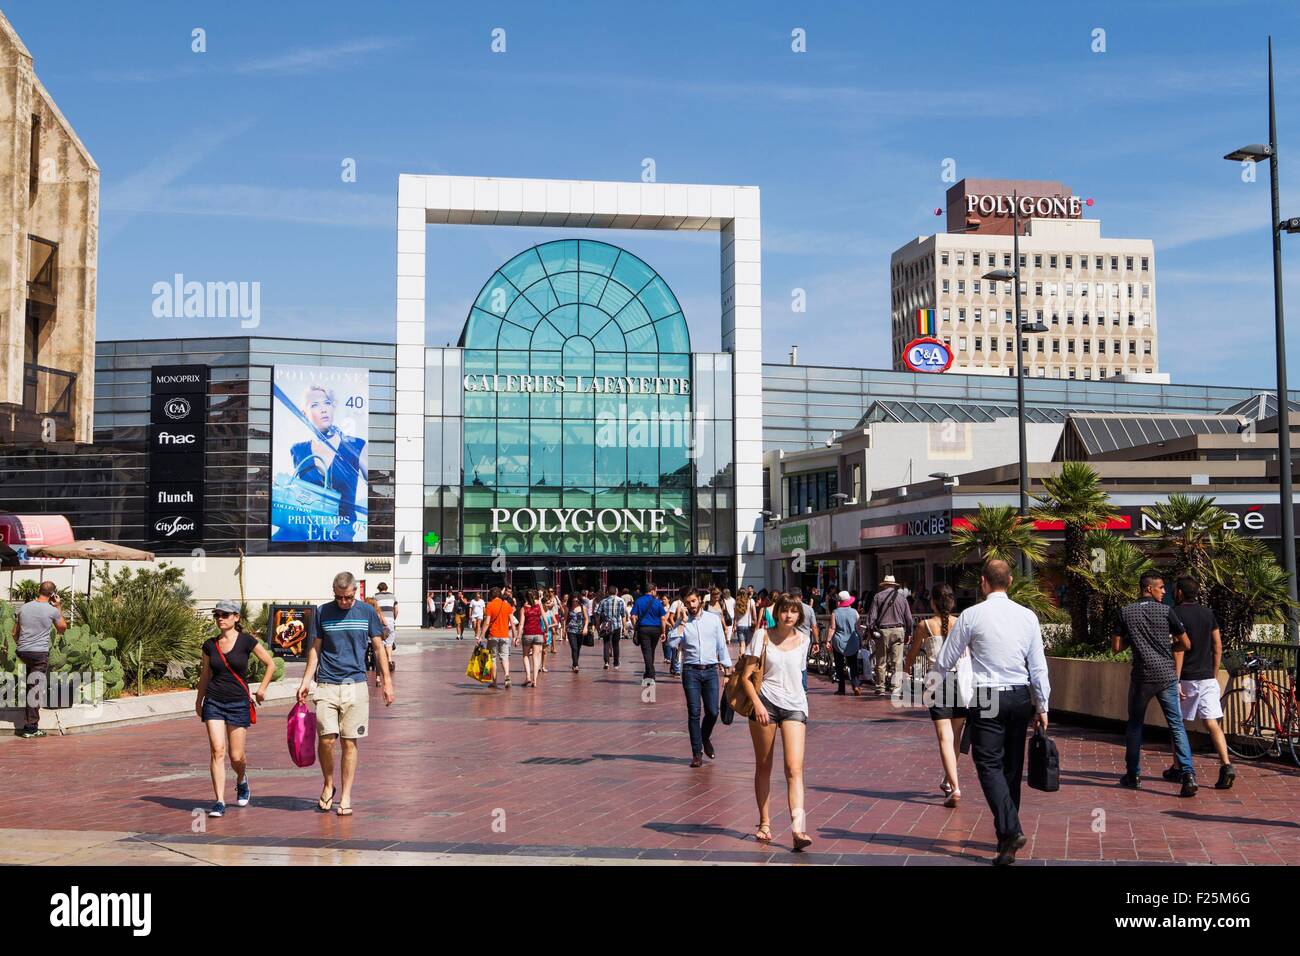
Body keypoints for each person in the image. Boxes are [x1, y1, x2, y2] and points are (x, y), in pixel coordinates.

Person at [936, 559, 1050, 866]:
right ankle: (1006, 842)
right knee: (1011, 767)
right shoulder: (1027, 617)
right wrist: (1043, 705)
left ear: (984, 582)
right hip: (1019, 696)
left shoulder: (972, 616)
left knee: (987, 764)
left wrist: (934, 682)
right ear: (1010, 581)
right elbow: (1038, 666)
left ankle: (1010, 830)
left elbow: (945, 659)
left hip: (987, 696)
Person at [297, 572, 394, 817]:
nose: (343, 602)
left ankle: (347, 795)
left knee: (349, 742)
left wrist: (387, 682)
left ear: (356, 593)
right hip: (327, 684)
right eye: (339, 598)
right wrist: (306, 681)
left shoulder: (367, 612)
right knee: (327, 739)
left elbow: (378, 647)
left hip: (356, 684)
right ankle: (329, 784)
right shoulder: (322, 612)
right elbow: (315, 649)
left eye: (348, 598)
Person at [1112, 572, 1197, 797]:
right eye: (1161, 587)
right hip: (1167, 676)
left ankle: (1133, 775)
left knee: (1135, 725)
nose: (1164, 591)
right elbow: (1186, 643)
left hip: (1142, 677)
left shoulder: (1125, 612)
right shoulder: (1166, 611)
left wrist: (1135, 637)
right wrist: (1169, 646)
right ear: (1149, 588)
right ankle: (1188, 775)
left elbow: (1117, 647)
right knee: (1176, 725)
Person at [741, 593, 813, 851]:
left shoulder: (804, 640)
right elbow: (746, 678)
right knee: (764, 765)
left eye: (794, 611)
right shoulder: (762, 636)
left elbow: (798, 676)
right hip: (765, 706)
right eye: (784, 610)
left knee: (795, 768)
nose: (789, 616)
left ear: (799, 614)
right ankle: (764, 822)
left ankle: (798, 828)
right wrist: (758, 704)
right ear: (777, 612)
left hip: (795, 707)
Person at [196, 600, 276, 817]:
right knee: (217, 750)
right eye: (217, 615)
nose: (220, 618)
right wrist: (199, 700)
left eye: (225, 614)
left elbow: (271, 664)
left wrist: (261, 689)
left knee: (236, 756)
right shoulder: (209, 645)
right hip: (214, 701)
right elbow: (205, 675)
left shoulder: (247, 641)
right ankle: (219, 801)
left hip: (238, 702)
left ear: (236, 617)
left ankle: (241, 779)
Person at [904, 584, 971, 808]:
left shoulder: (925, 625)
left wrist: (905, 671)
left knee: (944, 738)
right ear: (951, 602)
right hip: (961, 682)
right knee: (956, 737)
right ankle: (948, 781)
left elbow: (912, 654)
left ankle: (955, 786)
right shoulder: (961, 623)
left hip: (937, 682)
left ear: (932, 602)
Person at [1166, 577, 1235, 790]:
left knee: (1179, 726)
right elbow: (1218, 646)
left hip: (1186, 678)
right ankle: (1226, 765)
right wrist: (1213, 673)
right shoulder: (1208, 614)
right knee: (1212, 722)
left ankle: (1179, 767)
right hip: (1207, 678)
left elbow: (1179, 649)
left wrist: (1175, 681)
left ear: (1178, 592)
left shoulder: (1174, 613)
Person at [287, 384, 367, 542]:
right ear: (304, 414)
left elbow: (378, 484)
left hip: (341, 534)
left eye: (327, 403)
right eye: (315, 405)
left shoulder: (356, 445)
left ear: (333, 407)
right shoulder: (298, 450)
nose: (323, 409)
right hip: (306, 532)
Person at [665, 588, 733, 767]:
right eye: (687, 603)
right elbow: (671, 643)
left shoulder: (713, 620)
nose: (691, 605)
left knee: (713, 711)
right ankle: (696, 753)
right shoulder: (682, 622)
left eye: (693, 601)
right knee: (694, 712)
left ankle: (704, 737)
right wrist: (681, 624)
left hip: (710, 670)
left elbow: (721, 645)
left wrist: (727, 668)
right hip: (691, 671)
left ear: (700, 601)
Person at [12, 581, 68, 738]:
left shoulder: (24, 608)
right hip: (39, 654)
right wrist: (58, 606)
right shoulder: (52, 610)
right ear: (52, 594)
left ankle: (29, 721)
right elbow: (62, 628)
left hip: (23, 651)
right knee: (35, 689)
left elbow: (14, 633)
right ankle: (31, 728)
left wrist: (23, 646)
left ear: (39, 590)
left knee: (31, 685)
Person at [865, 574, 914, 694]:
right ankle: (895, 687)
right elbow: (909, 618)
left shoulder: (878, 596)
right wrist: (909, 633)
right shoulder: (902, 598)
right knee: (897, 662)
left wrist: (870, 630)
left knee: (881, 660)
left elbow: (872, 617)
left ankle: (880, 687)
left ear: (885, 585)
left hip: (883, 631)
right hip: (899, 630)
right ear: (893, 585)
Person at [632, 584, 668, 684]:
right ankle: (648, 674)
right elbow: (663, 618)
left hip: (643, 628)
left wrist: (636, 627)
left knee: (647, 652)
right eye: (655, 591)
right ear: (652, 591)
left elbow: (633, 616)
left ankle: (650, 675)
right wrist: (663, 632)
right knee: (651, 651)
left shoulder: (639, 601)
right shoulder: (657, 602)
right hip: (656, 629)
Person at [829, 590, 861, 696]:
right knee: (853, 665)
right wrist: (861, 639)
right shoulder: (855, 612)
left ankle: (841, 689)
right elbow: (858, 628)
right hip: (853, 641)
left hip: (838, 642)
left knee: (839, 665)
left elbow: (832, 628)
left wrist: (827, 640)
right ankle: (856, 685)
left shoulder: (835, 612)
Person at [481, 587, 515, 688]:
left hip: (493, 635)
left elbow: (487, 623)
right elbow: (512, 623)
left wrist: (481, 636)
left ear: (491, 595)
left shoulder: (490, 605)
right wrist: (515, 636)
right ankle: (507, 675)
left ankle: (494, 681)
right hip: (505, 635)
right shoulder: (507, 605)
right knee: (504, 657)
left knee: (493, 658)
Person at [516, 590, 547, 688]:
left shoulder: (523, 608)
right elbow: (544, 618)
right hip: (538, 633)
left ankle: (528, 676)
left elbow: (521, 624)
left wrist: (518, 637)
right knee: (536, 656)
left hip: (527, 634)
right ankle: (535, 680)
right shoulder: (539, 606)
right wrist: (546, 628)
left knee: (525, 655)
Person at [594, 585, 627, 670]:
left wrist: (597, 626)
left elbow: (597, 614)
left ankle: (606, 662)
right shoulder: (620, 601)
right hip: (617, 625)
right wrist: (625, 627)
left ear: (607, 592)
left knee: (606, 643)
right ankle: (616, 663)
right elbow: (623, 615)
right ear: (616, 592)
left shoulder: (603, 601)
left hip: (606, 625)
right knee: (616, 645)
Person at [364, 596, 395, 686]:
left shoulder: (363, 613)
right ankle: (378, 678)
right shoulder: (378, 613)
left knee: (363, 657)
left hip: (365, 638)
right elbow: (385, 623)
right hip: (375, 638)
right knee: (377, 657)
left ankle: (364, 677)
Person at [563, 593, 590, 672]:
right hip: (571, 630)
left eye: (577, 601)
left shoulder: (583, 608)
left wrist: (585, 628)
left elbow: (586, 619)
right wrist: (564, 629)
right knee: (574, 648)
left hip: (580, 631)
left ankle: (575, 663)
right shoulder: (568, 608)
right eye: (574, 601)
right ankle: (575, 665)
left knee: (578, 648)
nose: (575, 603)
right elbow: (564, 619)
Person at [733, 588, 756, 653]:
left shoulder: (736, 603)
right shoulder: (751, 601)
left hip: (739, 626)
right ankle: (747, 662)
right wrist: (755, 623)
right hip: (748, 626)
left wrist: (734, 626)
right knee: (748, 645)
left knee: (742, 645)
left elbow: (735, 617)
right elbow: (754, 615)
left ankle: (741, 659)